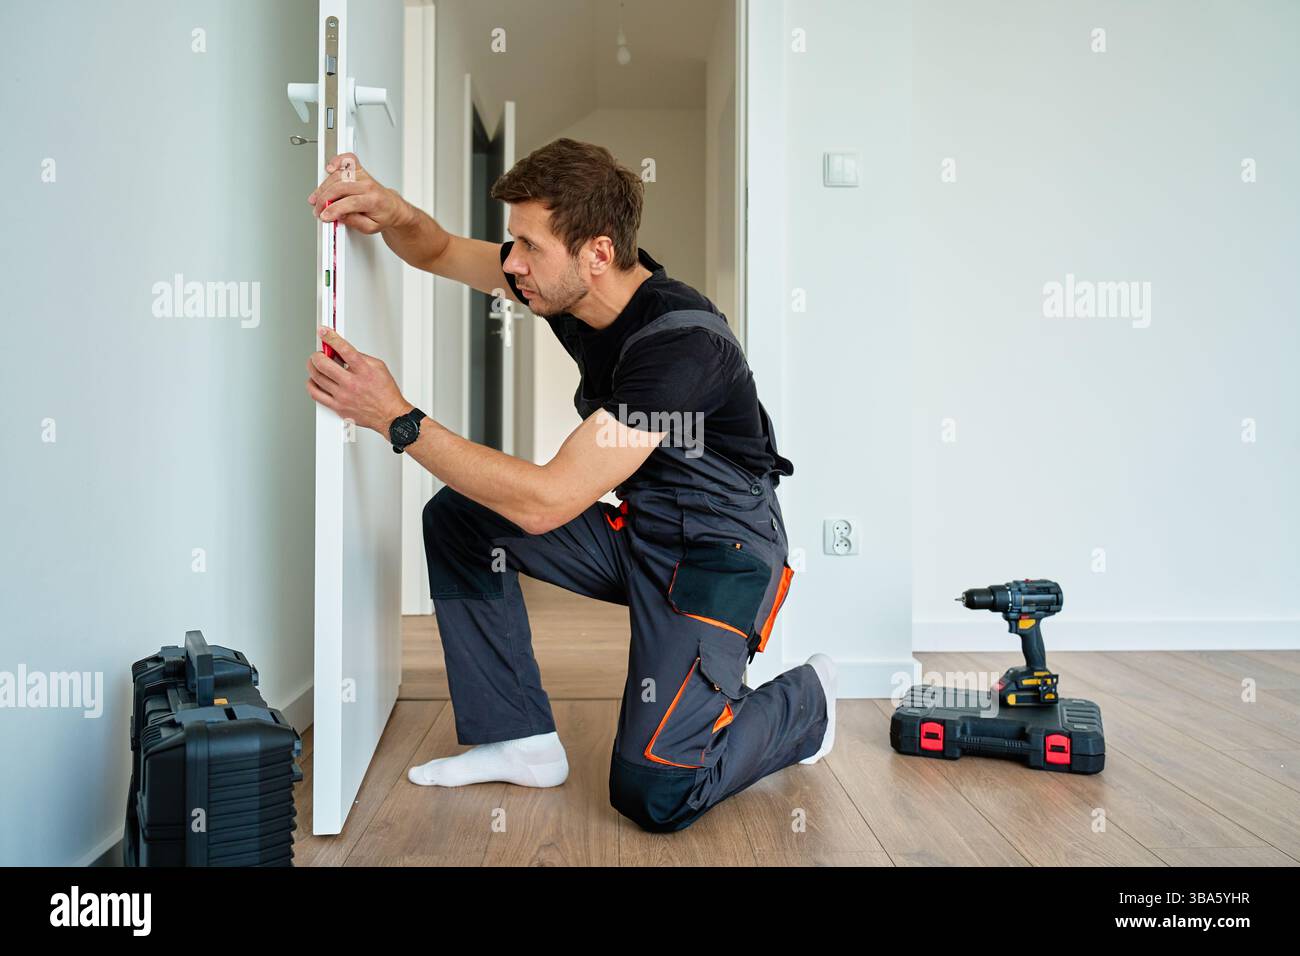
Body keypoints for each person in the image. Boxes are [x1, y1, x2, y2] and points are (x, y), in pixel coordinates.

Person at [304, 137, 835, 832]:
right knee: (462, 520)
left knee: (657, 791)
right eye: (512, 242)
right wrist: (386, 206)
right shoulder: (565, 290)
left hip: (719, 554)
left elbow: (549, 499)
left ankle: (810, 703)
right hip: (643, 527)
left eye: (528, 246)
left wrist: (398, 419)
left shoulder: (682, 349)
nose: (512, 264)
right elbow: (436, 250)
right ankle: (519, 738)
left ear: (598, 254)